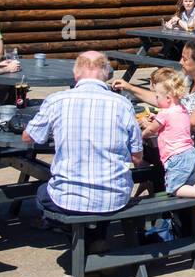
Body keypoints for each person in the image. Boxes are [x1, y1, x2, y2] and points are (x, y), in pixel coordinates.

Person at [23, 51, 144, 252]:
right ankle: (95, 238)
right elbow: (137, 157)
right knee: (105, 190)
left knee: (41, 194)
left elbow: (29, 137)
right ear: (106, 73)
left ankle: (81, 238)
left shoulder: (56, 100)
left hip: (67, 197)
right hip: (115, 196)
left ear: (75, 73)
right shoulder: (123, 104)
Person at [114, 41, 195, 178]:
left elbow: (193, 123)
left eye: (184, 59)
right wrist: (129, 88)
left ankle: (191, 195)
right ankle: (161, 194)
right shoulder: (190, 80)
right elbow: (164, 99)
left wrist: (158, 125)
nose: (180, 62)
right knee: (146, 152)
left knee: (172, 164)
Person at [137, 68, 195, 218]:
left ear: (168, 99)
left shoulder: (165, 113)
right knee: (189, 184)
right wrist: (157, 117)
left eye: (157, 96)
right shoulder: (182, 108)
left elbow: (151, 130)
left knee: (174, 189)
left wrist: (140, 135)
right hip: (191, 154)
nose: (156, 99)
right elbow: (169, 122)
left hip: (177, 157)